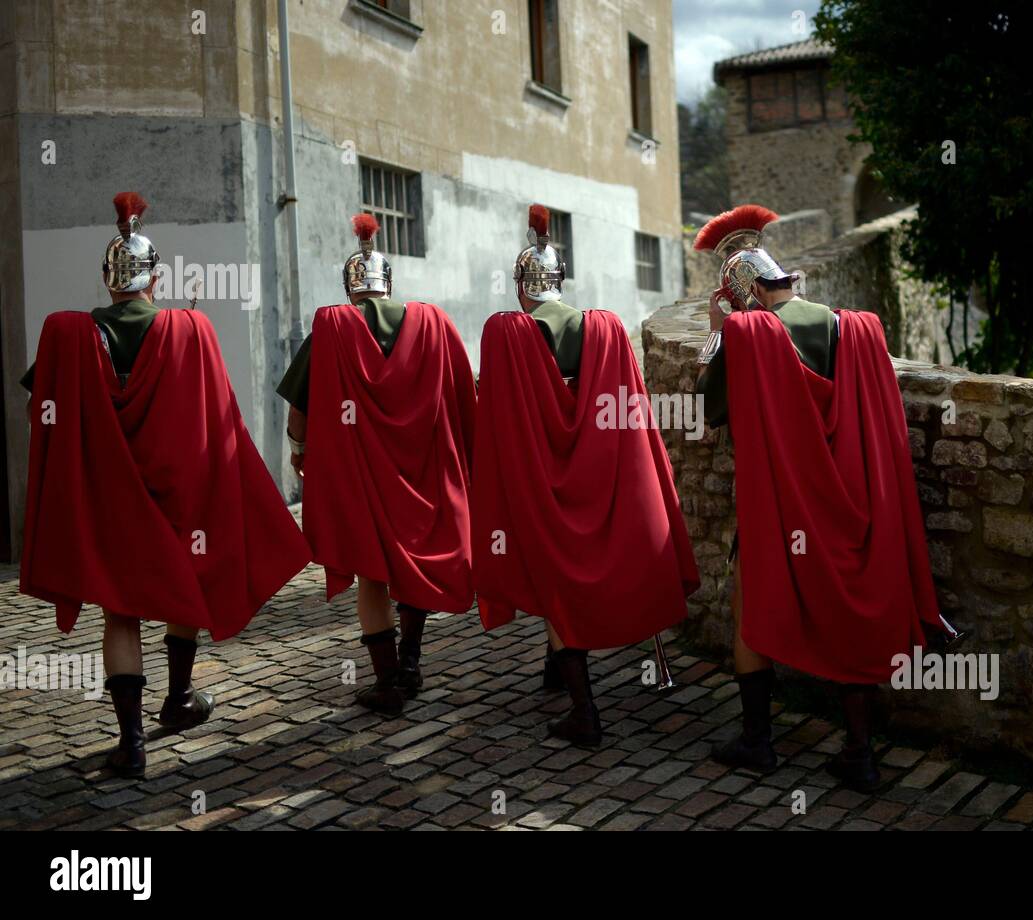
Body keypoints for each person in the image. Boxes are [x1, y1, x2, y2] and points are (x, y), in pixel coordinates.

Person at [20, 192, 311, 777]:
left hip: (109, 503)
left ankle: (131, 743)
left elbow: (41, 414)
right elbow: (216, 414)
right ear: (155, 277)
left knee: (120, 612)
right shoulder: (190, 329)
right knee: (188, 582)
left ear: (108, 281)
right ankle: (178, 701)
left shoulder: (72, 335)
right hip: (177, 495)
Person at [694, 204, 956, 790]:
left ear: (745, 293)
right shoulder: (853, 327)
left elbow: (710, 411)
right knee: (850, 612)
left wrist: (718, 336)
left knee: (748, 604)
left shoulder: (746, 332)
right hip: (855, 502)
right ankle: (859, 753)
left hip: (784, 505)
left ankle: (758, 741)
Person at [472, 205, 698, 748]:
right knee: (579, 567)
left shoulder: (505, 333)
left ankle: (584, 710)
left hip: (538, 478)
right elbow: (630, 414)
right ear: (561, 280)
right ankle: (560, 673)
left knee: (553, 571)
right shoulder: (606, 327)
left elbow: (497, 418)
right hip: (604, 473)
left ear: (521, 286)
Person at [278, 214, 477, 716]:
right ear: (389, 284)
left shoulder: (332, 327)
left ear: (351, 289)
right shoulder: (433, 321)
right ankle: (411, 663)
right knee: (415, 562)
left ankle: (388, 681)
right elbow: (463, 393)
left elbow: (300, 408)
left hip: (362, 475)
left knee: (373, 574)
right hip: (423, 473)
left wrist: (298, 449)